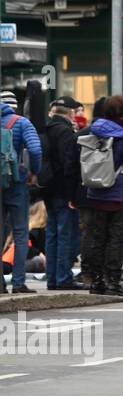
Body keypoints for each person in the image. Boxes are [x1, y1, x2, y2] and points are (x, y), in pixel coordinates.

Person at [79, 96, 123, 297]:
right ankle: (113, 280)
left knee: (98, 237)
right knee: (116, 237)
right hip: (120, 191)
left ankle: (96, 280)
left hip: (97, 189)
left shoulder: (94, 130)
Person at [0, 91, 43, 294]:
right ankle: (18, 283)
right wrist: (34, 172)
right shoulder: (21, 123)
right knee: (19, 233)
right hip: (16, 182)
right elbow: (35, 150)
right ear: (14, 105)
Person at [43, 96, 82, 291]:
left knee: (52, 234)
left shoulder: (46, 129)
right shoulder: (66, 132)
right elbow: (69, 165)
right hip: (63, 190)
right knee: (66, 234)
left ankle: (52, 278)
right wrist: (72, 195)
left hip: (47, 188)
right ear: (70, 112)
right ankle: (63, 277)